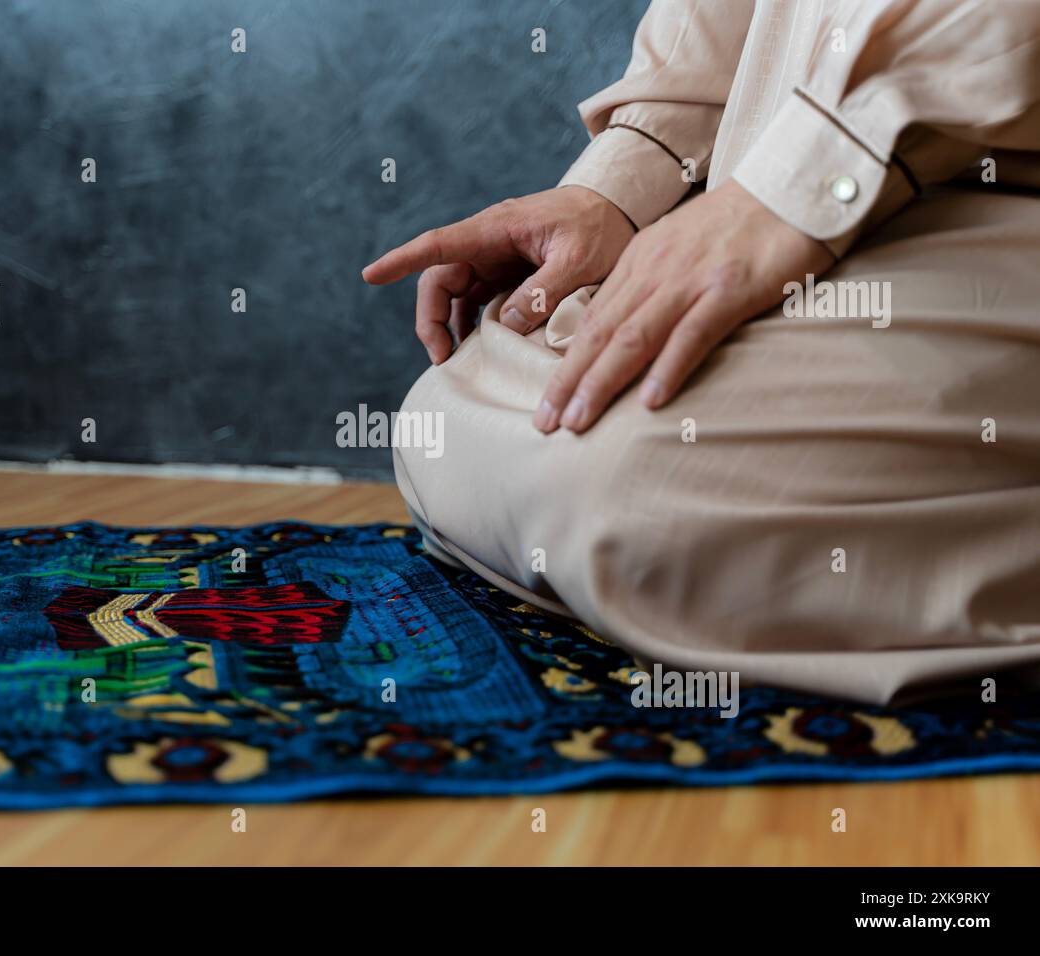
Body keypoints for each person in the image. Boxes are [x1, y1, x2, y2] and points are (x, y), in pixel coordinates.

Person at [362, 0, 1040, 705]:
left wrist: (800, 190)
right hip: (795, 184)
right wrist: (620, 187)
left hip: (996, 196)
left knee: (619, 495)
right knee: (445, 415)